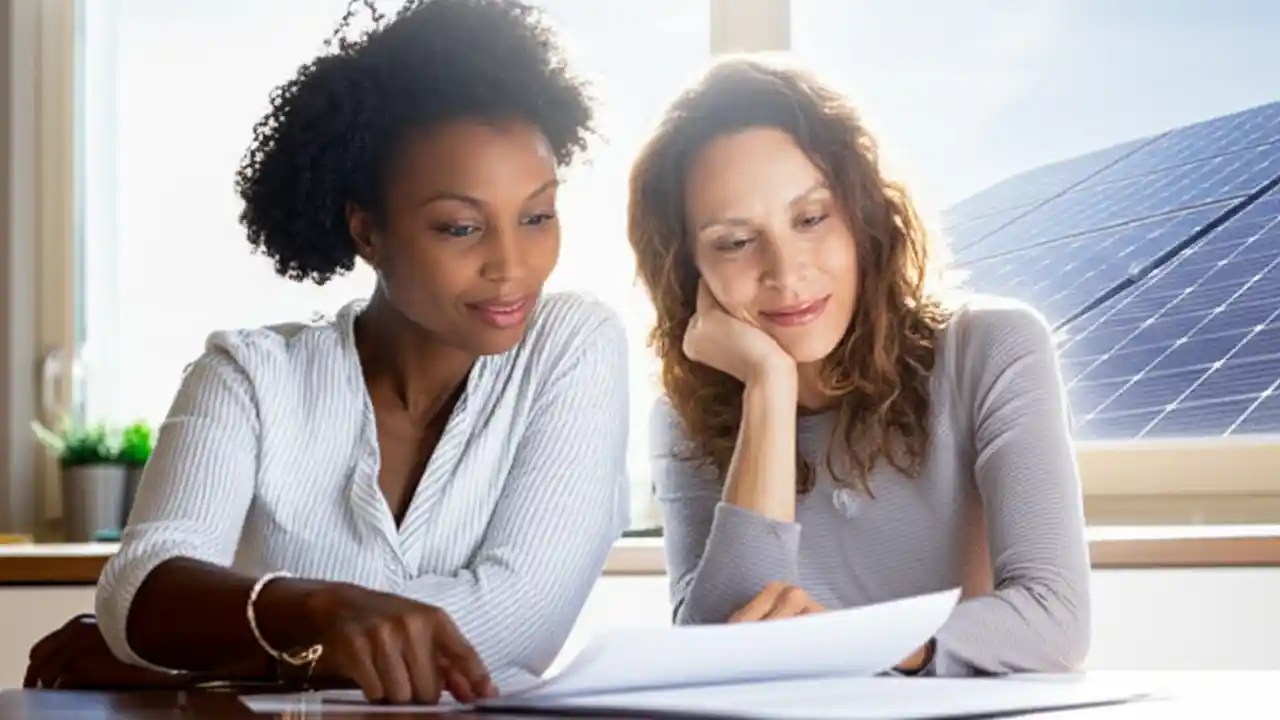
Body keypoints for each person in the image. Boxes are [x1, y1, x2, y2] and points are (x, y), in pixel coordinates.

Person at [24, 0, 629, 704]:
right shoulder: (249, 377)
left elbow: (516, 623)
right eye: (461, 227)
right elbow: (142, 585)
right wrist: (315, 617)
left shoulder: (573, 346)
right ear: (367, 233)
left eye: (537, 217)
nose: (512, 264)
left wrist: (211, 652)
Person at [627, 57, 1090, 676]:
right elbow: (719, 655)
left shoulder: (994, 349)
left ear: (862, 218)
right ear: (690, 269)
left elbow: (1053, 619)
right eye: (736, 242)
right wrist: (768, 387)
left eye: (811, 219)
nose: (786, 273)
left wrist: (855, 642)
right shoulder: (683, 418)